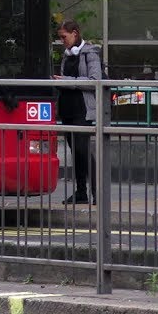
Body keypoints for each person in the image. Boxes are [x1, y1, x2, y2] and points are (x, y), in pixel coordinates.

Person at [50, 19, 102, 205]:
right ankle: (81, 192)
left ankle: (97, 191)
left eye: (64, 37)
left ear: (75, 33)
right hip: (68, 108)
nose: (62, 40)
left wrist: (66, 80)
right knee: (76, 151)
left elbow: (94, 80)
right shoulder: (67, 55)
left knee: (83, 150)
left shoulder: (90, 54)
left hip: (82, 108)